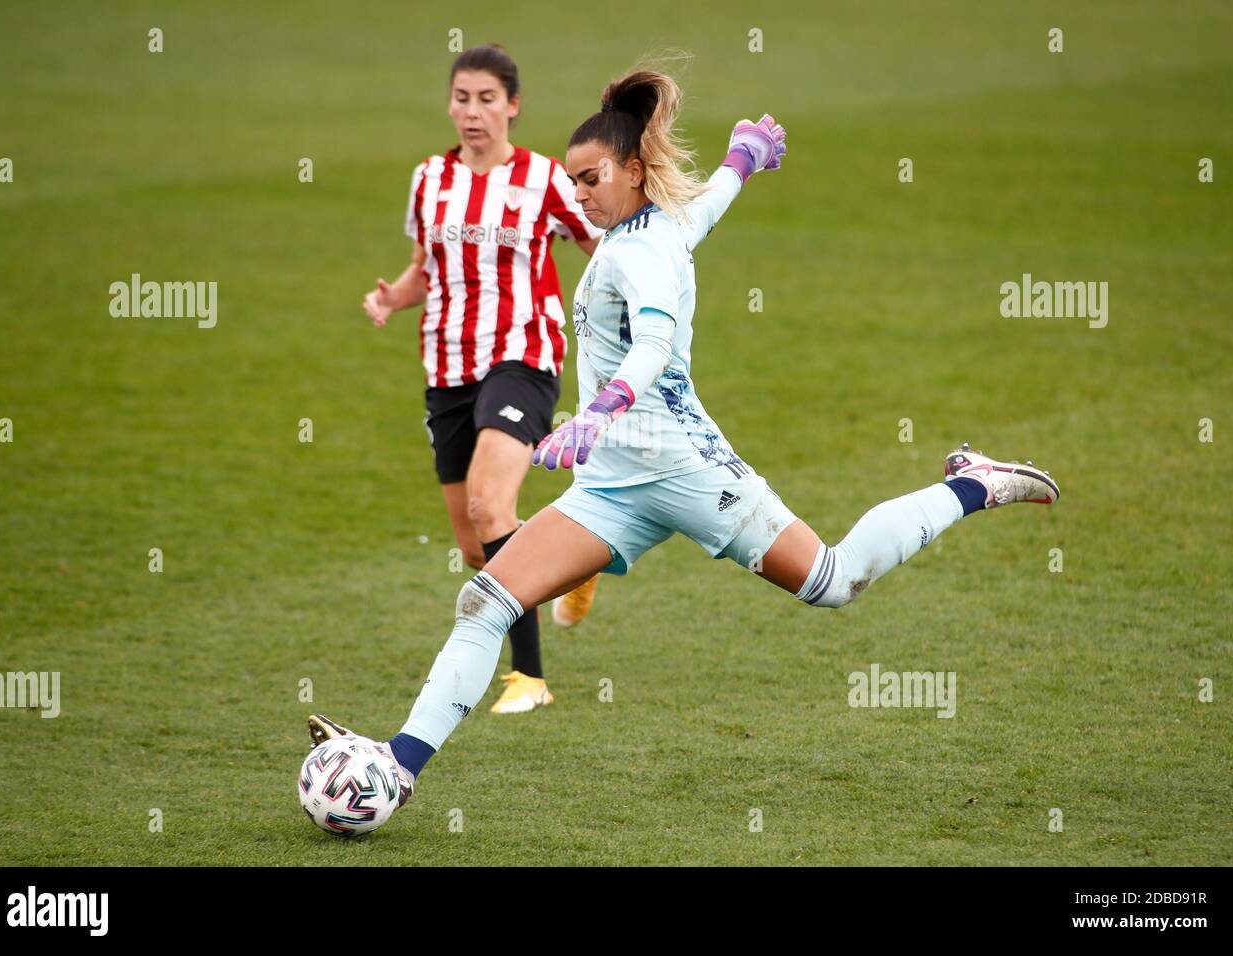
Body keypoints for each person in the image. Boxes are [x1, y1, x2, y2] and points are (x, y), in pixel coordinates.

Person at [318, 69, 1060, 813]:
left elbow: (653, 343)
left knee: (832, 582)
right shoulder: (655, 226)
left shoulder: (639, 252)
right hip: (610, 487)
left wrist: (598, 412)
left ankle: (974, 483)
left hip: (686, 470)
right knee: (485, 601)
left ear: (633, 171)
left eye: (590, 180)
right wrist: (744, 157)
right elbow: (705, 209)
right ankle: (399, 767)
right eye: (573, 183)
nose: (579, 196)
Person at [362, 44, 604, 715]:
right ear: (450, 104)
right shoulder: (429, 179)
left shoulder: (547, 179)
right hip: (446, 368)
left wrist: (625, 307)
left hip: (521, 357)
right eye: (462, 98)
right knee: (477, 546)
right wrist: (391, 298)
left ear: (513, 107)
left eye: (487, 99)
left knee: (490, 508)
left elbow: (601, 246)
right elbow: (424, 266)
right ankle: (575, 562)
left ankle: (529, 676)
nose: (473, 112)